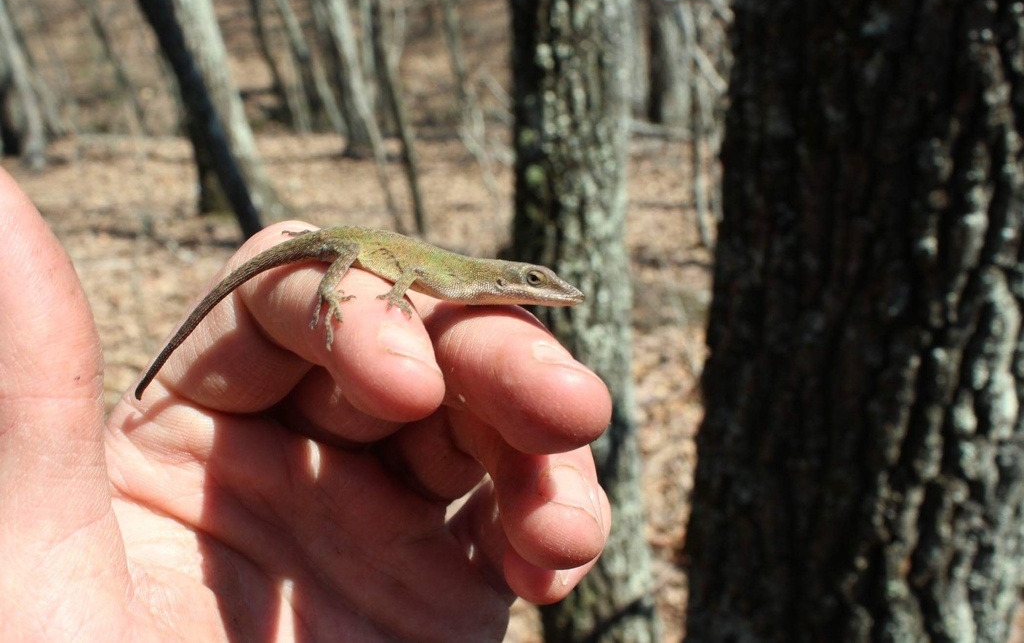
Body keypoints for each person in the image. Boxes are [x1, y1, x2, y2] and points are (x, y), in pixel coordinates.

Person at [0, 169, 611, 641]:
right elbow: (401, 277)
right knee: (370, 323)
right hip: (340, 248)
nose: (551, 294)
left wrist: (392, 289)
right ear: (508, 278)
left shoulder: (468, 287)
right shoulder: (457, 281)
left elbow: (407, 277)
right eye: (535, 282)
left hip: (345, 249)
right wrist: (345, 288)